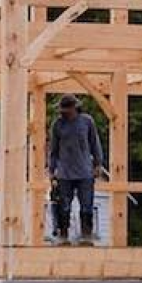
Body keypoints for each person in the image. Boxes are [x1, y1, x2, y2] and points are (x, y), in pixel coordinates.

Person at [48, 94, 104, 246]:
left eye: (66, 109)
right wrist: (51, 170)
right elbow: (53, 150)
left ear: (74, 108)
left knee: (87, 204)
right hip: (64, 172)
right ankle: (63, 234)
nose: (63, 113)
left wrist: (98, 163)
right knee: (63, 205)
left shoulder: (87, 121)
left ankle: (86, 234)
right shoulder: (57, 125)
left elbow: (94, 143)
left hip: (85, 171)